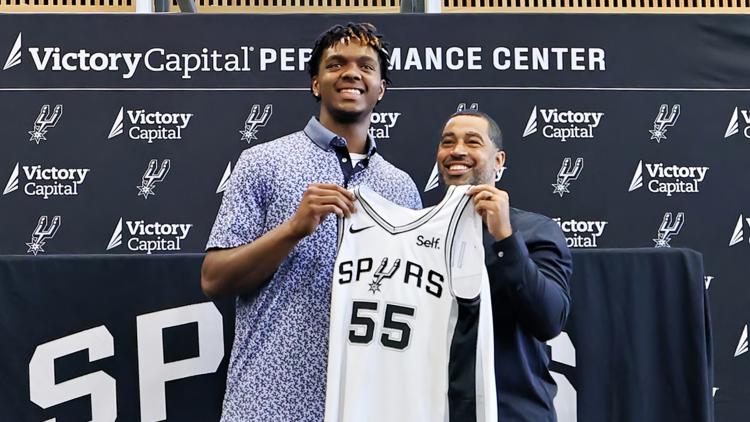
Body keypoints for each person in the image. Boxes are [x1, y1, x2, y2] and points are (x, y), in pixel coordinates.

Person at [200, 23, 421, 422]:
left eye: (365, 66)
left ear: (381, 89)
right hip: (269, 403)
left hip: (369, 405)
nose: (351, 73)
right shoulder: (263, 162)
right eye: (336, 64)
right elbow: (213, 279)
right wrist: (293, 230)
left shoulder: (401, 187)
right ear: (316, 84)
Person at [436, 109, 573, 421]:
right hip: (437, 410)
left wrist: (506, 239)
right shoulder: (420, 232)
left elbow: (549, 320)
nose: (457, 151)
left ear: (498, 161)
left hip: (513, 411)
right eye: (448, 142)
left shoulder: (536, 231)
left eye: (473, 142)